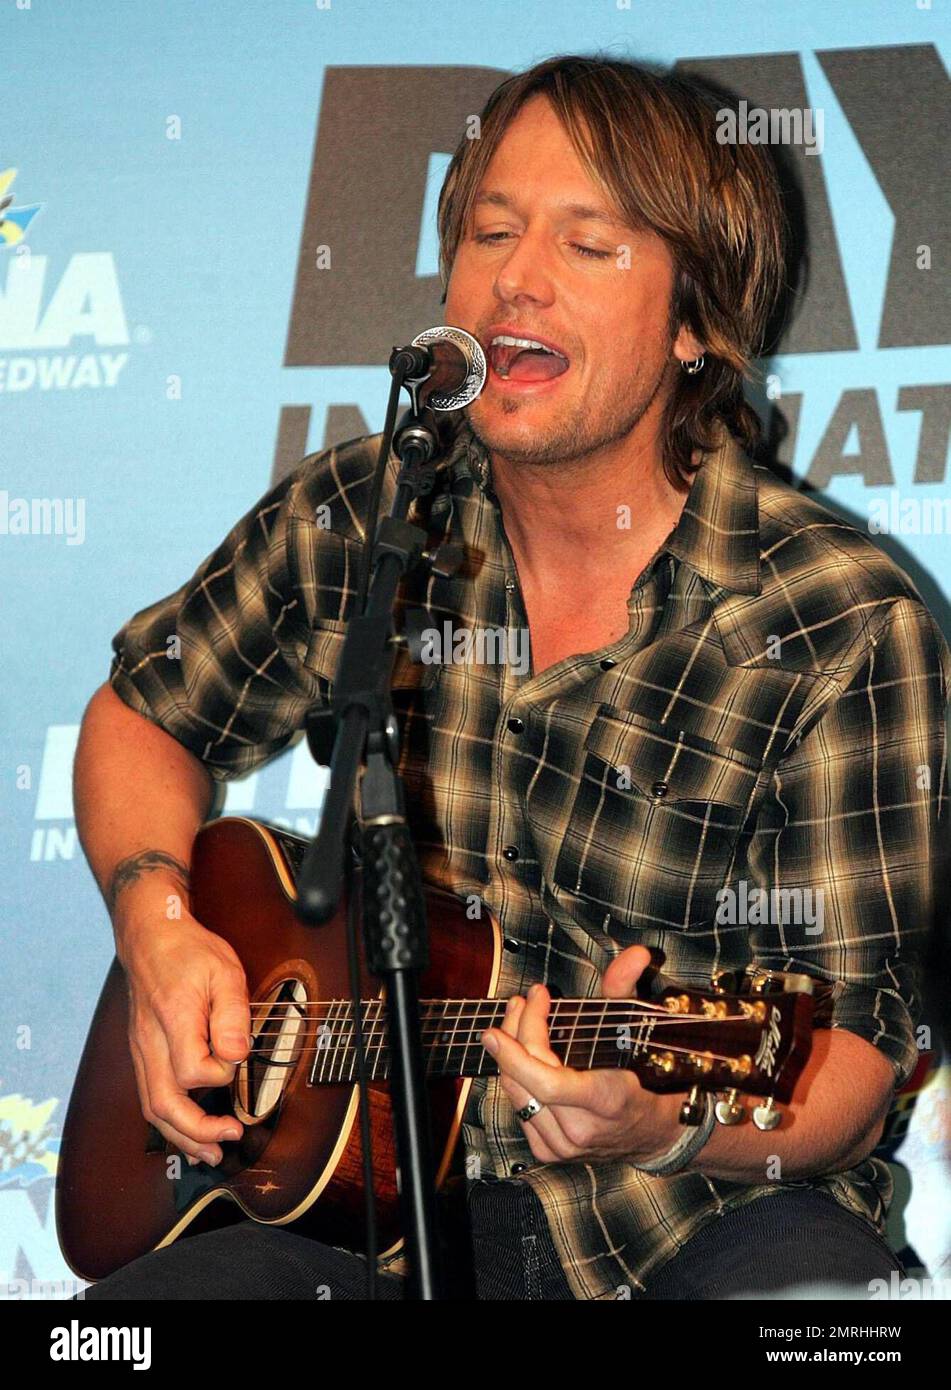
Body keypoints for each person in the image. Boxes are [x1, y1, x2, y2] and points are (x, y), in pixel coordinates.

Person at [73, 54, 949, 1301]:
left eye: (590, 245)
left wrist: (663, 1122)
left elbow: (852, 1064)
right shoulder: (365, 519)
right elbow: (136, 718)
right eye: (491, 231)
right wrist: (158, 930)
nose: (515, 278)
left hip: (709, 1217)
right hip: (360, 1225)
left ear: (696, 324)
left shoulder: (839, 618)